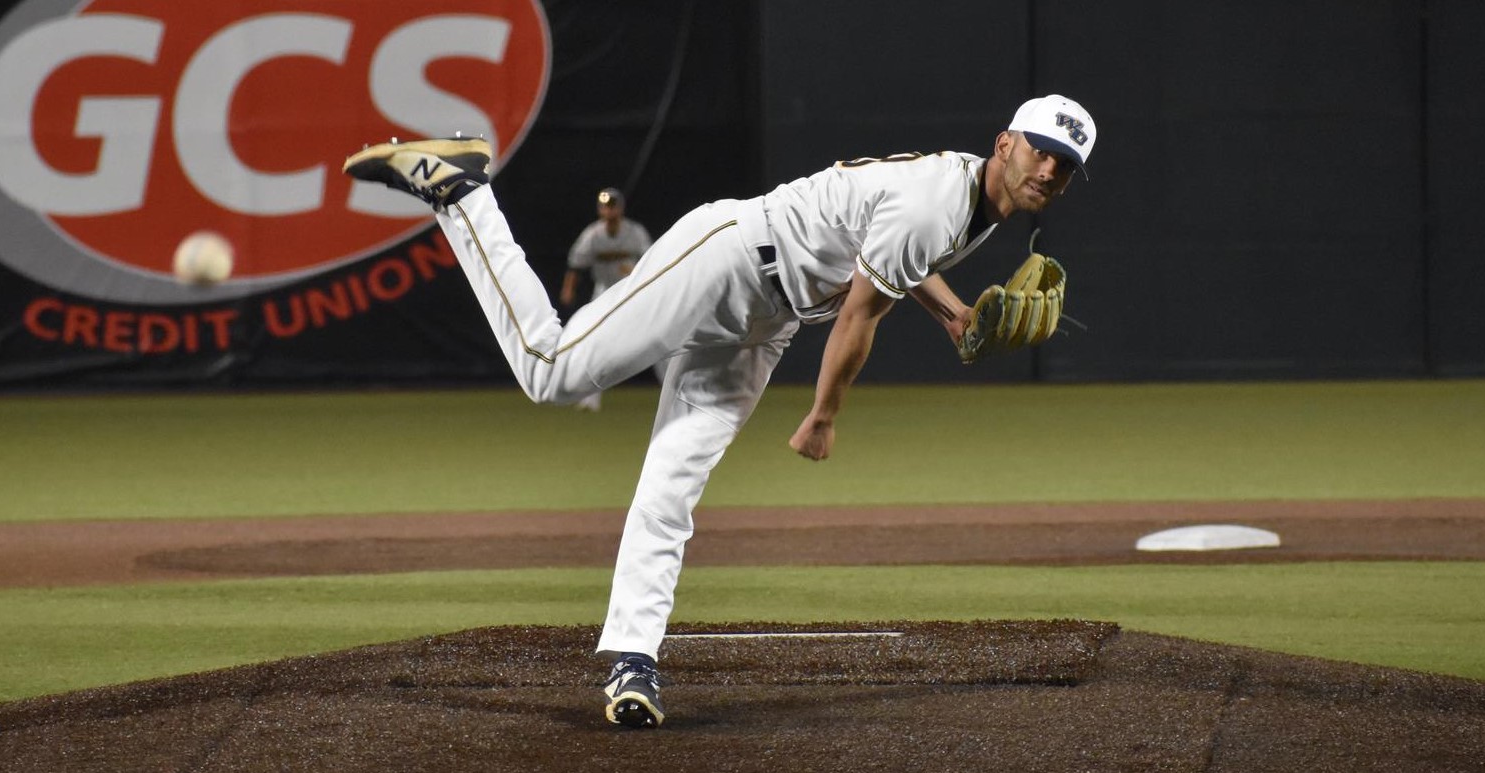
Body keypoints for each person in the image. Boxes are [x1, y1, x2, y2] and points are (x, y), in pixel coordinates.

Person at [343, 94, 1097, 729]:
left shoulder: (971, 201)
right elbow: (860, 316)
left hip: (764, 322)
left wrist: (957, 317)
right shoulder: (942, 200)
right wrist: (823, 415)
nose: (1048, 169)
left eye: (1064, 164)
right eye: (1038, 150)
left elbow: (894, 259)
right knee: (552, 370)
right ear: (1005, 144)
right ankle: (464, 190)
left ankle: (632, 664)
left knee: (671, 486)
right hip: (728, 258)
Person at [558, 187, 653, 411]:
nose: (608, 210)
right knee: (594, 343)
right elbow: (575, 265)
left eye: (612, 205)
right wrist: (568, 289)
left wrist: (637, 272)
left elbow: (652, 259)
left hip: (632, 291)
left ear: (620, 208)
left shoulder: (635, 232)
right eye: (604, 205)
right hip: (604, 293)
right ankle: (590, 397)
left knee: (654, 335)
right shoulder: (593, 235)